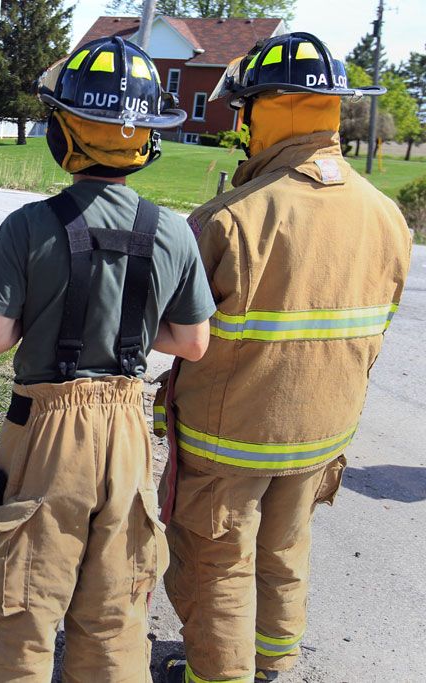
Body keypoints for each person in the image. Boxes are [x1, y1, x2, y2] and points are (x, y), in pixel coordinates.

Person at [0, 36, 216, 682]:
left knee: (18, 608)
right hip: (127, 433)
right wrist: (127, 326)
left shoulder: (28, 227)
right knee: (115, 614)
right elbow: (193, 342)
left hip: (45, 433)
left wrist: (46, 313)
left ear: (64, 130)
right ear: (145, 138)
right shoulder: (172, 231)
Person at [156, 32, 412, 683]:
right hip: (322, 432)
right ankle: (273, 658)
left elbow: (174, 331)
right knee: (286, 545)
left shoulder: (228, 220)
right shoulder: (388, 217)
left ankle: (218, 674)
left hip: (227, 439)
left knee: (216, 561)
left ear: (263, 111)